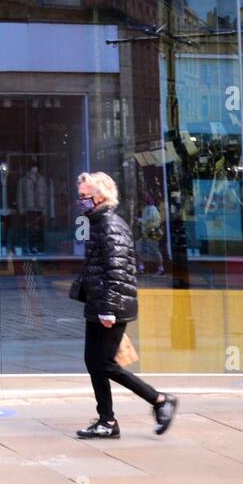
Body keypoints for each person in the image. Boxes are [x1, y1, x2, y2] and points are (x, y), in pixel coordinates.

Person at [73, 172, 177, 439]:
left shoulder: (110, 225)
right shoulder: (97, 222)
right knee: (93, 361)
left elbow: (117, 272)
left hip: (111, 306)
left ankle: (160, 400)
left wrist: (108, 309)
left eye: (84, 196)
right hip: (99, 303)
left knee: (105, 363)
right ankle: (107, 422)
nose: (80, 201)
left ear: (99, 196)